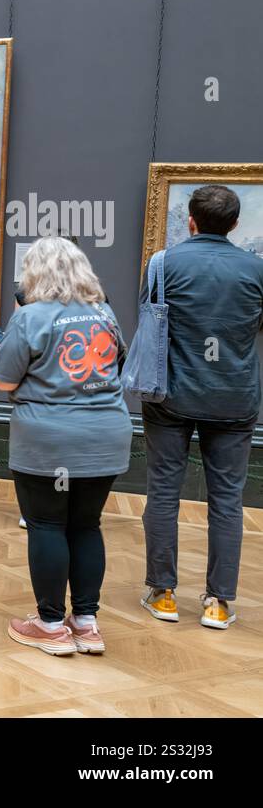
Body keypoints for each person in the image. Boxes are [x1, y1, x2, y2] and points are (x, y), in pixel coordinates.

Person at [0, 236, 131, 656]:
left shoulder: (31, 317)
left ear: (35, 274)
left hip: (48, 440)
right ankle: (86, 624)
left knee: (47, 525)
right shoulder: (103, 313)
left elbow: (4, 380)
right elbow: (112, 365)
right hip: (105, 438)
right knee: (86, 526)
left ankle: (50, 626)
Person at [140, 185, 263, 630]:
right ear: (233, 225)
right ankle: (218, 603)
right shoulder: (256, 268)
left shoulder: (163, 263)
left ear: (190, 220)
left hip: (170, 394)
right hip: (234, 396)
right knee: (228, 502)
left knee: (163, 494)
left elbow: (148, 317)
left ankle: (163, 593)